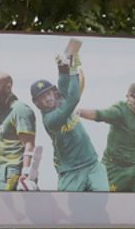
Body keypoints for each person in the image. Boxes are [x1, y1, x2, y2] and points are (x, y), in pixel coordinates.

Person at [30, 54, 109, 192]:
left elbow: (64, 83)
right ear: (37, 103)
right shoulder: (50, 120)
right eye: (42, 97)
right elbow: (74, 98)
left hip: (92, 165)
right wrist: (73, 69)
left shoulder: (60, 100)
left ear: (54, 93)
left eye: (49, 93)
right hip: (71, 171)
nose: (48, 99)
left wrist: (63, 66)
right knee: (71, 210)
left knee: (102, 200)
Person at [78, 82, 135, 192]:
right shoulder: (119, 111)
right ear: (129, 98)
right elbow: (99, 114)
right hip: (114, 167)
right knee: (100, 199)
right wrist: (77, 112)